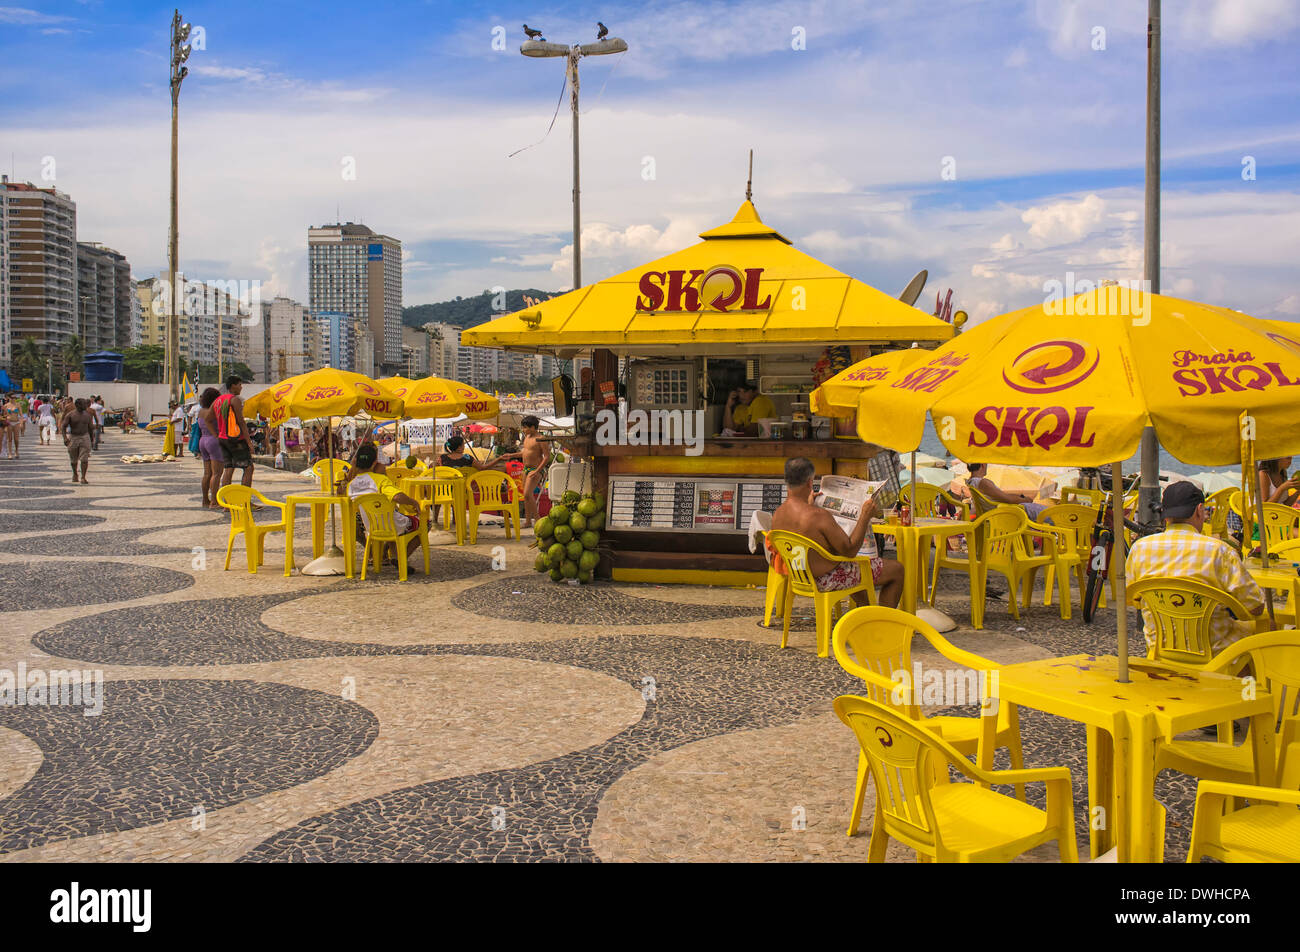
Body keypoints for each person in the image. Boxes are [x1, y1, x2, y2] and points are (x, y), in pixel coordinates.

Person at [1126, 481, 1265, 655]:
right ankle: (1250, 681)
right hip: (1215, 653)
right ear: (1199, 510)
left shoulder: (1140, 548)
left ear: (1165, 514)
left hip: (1160, 648)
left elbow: (1134, 599)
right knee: (1266, 626)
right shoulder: (1220, 551)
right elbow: (1255, 607)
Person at [770, 456, 905, 609]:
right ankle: (885, 623)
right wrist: (865, 516)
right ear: (809, 482)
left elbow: (805, 533)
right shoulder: (817, 516)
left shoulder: (778, 515)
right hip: (828, 579)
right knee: (896, 570)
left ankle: (865, 616)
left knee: (853, 567)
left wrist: (810, 505)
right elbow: (850, 550)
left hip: (800, 577)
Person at [342, 441, 424, 562]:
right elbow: (396, 497)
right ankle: (400, 558)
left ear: (356, 462)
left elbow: (342, 492)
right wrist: (413, 502)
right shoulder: (380, 479)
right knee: (425, 523)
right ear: (374, 462)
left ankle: (381, 553)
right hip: (388, 522)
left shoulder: (351, 485)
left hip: (370, 525)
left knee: (354, 523)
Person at [211, 375, 255, 490]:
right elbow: (241, 422)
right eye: (240, 384)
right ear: (233, 386)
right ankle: (246, 501)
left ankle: (227, 503)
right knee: (248, 467)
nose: (241, 387)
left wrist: (216, 434)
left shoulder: (218, 400)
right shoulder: (234, 400)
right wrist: (249, 442)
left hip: (222, 438)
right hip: (235, 438)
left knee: (229, 468)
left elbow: (208, 418)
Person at [965, 462, 1047, 521]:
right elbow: (1008, 499)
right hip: (1009, 512)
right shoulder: (983, 483)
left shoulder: (971, 483)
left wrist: (1018, 497)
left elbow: (1003, 496)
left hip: (1000, 512)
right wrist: (1026, 500)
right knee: (1051, 514)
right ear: (983, 465)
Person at [195, 387, 223, 509]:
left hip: (203, 440)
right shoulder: (214, 410)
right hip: (213, 440)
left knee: (207, 473)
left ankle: (205, 499)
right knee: (217, 473)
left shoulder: (201, 411)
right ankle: (214, 501)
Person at [518, 416, 547, 529]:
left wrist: (537, 471)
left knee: (527, 494)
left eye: (525, 428)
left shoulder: (541, 438)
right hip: (526, 469)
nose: (523, 430)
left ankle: (537, 519)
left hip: (535, 470)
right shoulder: (527, 437)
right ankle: (528, 521)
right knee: (525, 497)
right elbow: (525, 453)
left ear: (533, 427)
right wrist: (511, 455)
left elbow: (546, 457)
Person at [61, 397, 96, 484]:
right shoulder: (70, 415)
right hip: (73, 437)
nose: (86, 405)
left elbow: (90, 428)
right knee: (73, 460)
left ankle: (83, 477)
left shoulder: (87, 415)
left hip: (85, 437)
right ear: (78, 405)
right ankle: (75, 474)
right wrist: (65, 438)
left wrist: (92, 439)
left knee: (84, 459)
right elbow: (63, 426)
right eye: (84, 404)